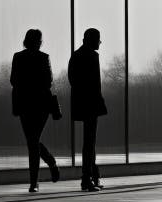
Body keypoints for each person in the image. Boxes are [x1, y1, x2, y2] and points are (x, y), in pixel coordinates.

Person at [11, 29, 60, 193]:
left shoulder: (18, 57)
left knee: (32, 141)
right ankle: (49, 163)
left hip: (26, 104)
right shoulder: (43, 57)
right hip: (40, 104)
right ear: (38, 41)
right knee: (33, 141)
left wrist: (26, 85)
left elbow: (13, 80)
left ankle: (34, 182)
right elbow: (48, 81)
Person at [69, 28, 107, 192]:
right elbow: (95, 84)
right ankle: (87, 178)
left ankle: (93, 175)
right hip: (91, 103)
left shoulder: (76, 55)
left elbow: (72, 79)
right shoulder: (92, 56)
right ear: (92, 40)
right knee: (90, 142)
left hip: (82, 102)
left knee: (89, 141)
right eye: (98, 40)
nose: (100, 43)